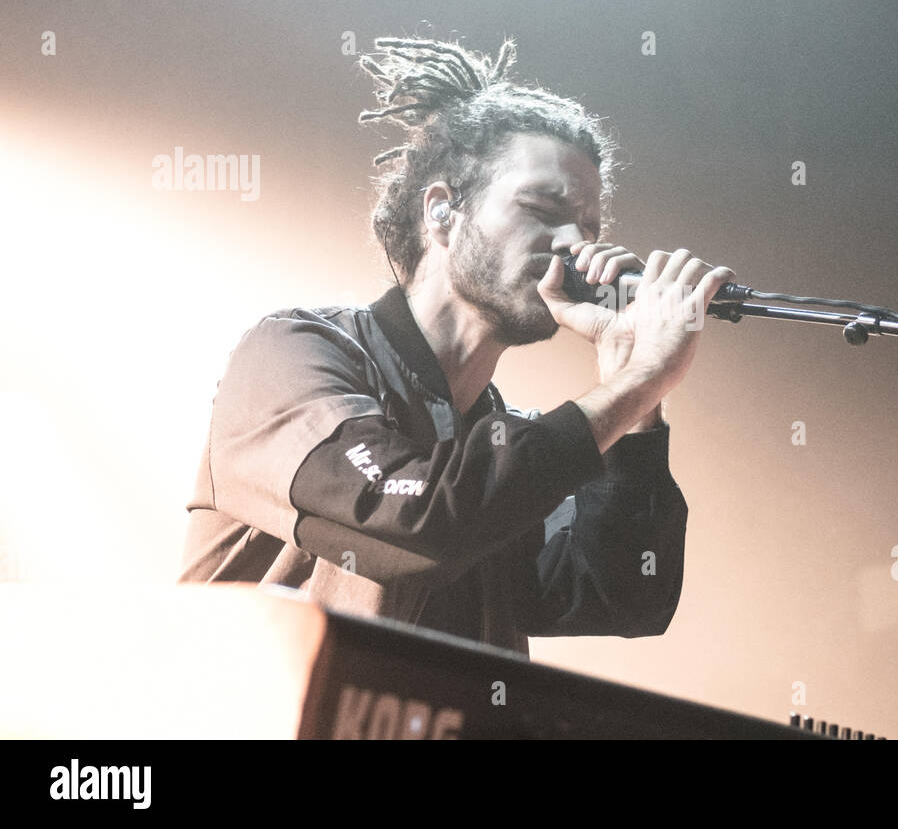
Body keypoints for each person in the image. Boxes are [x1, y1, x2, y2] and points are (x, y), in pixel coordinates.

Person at [178, 34, 735, 658]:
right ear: (442, 211)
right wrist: (644, 380)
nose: (574, 244)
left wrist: (635, 393)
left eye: (588, 226)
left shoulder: (502, 453)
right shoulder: (292, 355)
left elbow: (623, 598)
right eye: (542, 206)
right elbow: (416, 524)